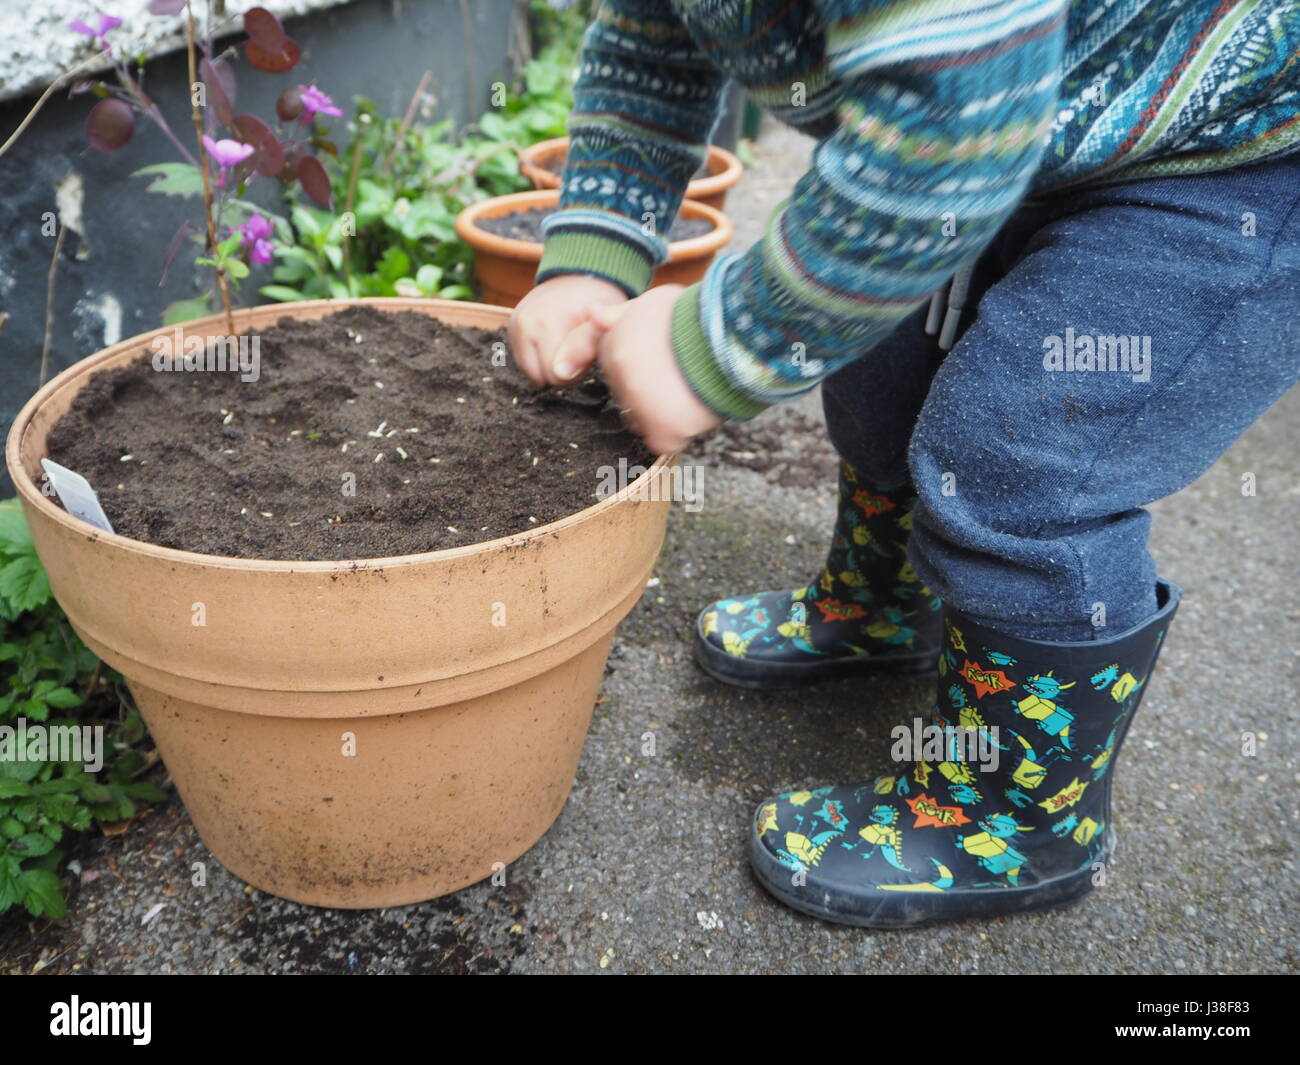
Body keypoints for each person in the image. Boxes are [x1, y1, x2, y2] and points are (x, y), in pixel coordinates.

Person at [506, 0, 1300, 927]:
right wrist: (594, 254)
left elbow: (945, 135)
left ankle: (1016, 819)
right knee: (877, 367)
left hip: (1230, 158)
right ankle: (884, 606)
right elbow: (654, 46)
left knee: (1025, 454)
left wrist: (716, 347)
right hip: (1019, 129)